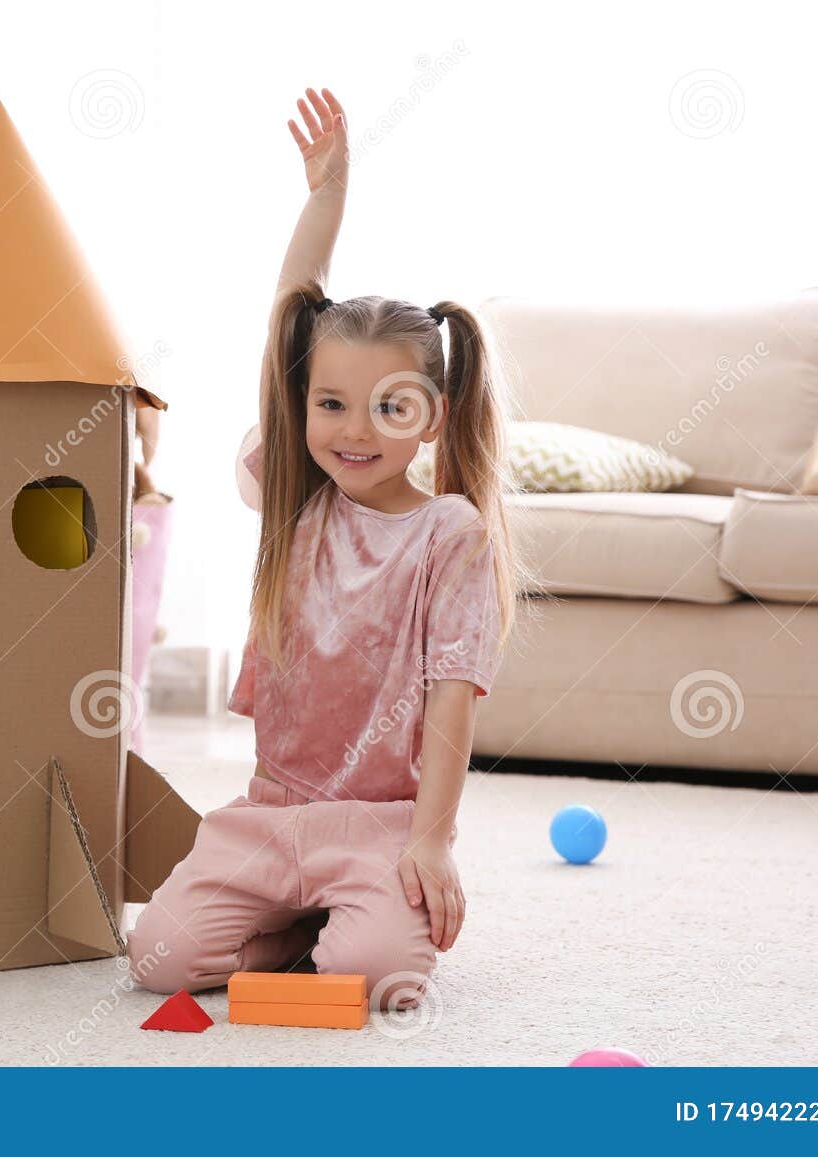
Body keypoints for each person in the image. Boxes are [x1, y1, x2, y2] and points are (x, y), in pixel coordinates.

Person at [128, 87, 526, 1010]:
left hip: (381, 824)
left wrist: (431, 840)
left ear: (432, 417)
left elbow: (452, 701)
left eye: (390, 407)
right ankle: (294, 927)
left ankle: (336, 923)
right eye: (331, 404)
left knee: (377, 977)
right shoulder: (295, 498)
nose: (355, 430)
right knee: (158, 961)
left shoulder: (450, 532)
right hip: (272, 814)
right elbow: (288, 318)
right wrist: (327, 199)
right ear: (302, 405)